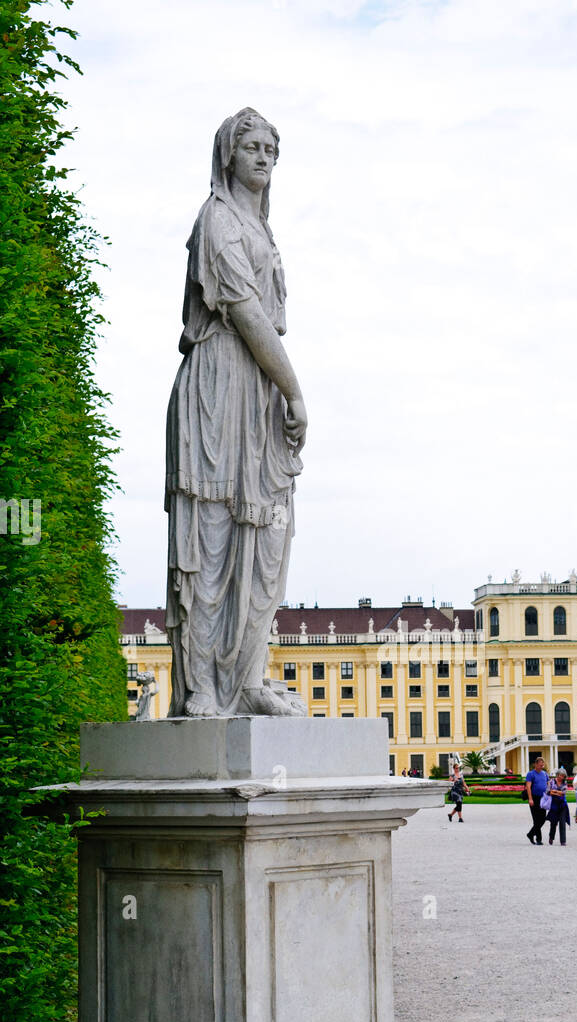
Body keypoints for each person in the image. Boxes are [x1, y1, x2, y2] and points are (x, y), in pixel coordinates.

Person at [165, 108, 307, 718]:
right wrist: (297, 390)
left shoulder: (263, 229)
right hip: (220, 382)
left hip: (259, 392)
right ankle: (200, 685)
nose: (263, 158)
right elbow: (246, 314)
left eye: (271, 150)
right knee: (212, 534)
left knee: (268, 535)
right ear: (228, 154)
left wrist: (279, 391)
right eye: (251, 147)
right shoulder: (217, 218)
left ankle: (249, 674)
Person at [525, 756, 549, 844]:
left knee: (542, 819)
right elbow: (528, 787)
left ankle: (530, 834)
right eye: (540, 765)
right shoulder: (531, 774)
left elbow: (548, 785)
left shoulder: (545, 774)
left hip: (543, 798)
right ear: (535, 764)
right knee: (536, 819)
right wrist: (530, 799)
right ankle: (539, 839)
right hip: (534, 798)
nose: (541, 767)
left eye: (542, 765)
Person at [547, 768, 571, 846]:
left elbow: (563, 793)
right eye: (561, 775)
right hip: (554, 805)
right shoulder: (551, 781)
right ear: (557, 775)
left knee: (562, 822)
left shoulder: (565, 782)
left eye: (563, 776)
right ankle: (551, 837)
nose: (562, 777)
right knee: (553, 823)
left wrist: (555, 792)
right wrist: (557, 792)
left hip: (562, 805)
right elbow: (548, 791)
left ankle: (563, 841)